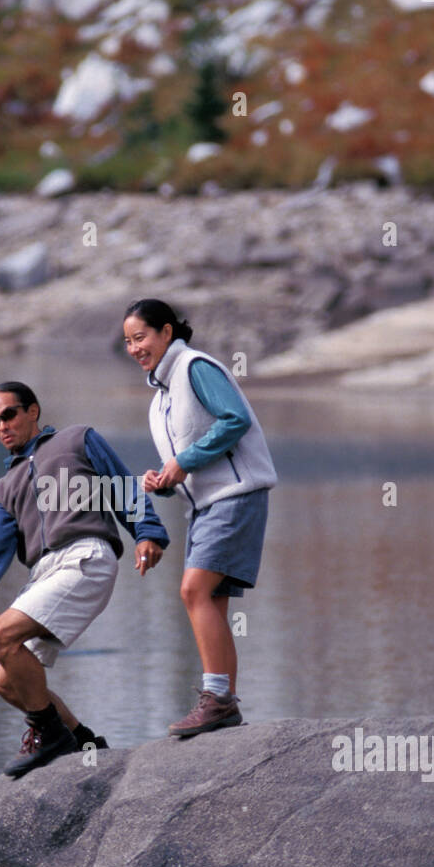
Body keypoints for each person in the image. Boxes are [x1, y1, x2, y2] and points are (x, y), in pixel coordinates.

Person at [0, 380, 170, 777]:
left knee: (2, 634)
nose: (2, 426)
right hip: (44, 574)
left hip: (86, 557)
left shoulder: (77, 440)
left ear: (32, 411)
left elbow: (122, 486)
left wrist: (147, 533)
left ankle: (48, 734)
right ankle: (84, 743)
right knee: (6, 682)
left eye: (8, 415)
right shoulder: (3, 490)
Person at [123, 299, 277, 737]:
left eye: (141, 337)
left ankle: (217, 700)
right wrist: (163, 480)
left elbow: (235, 419)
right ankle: (224, 704)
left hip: (236, 495)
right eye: (128, 342)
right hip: (204, 506)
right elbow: (186, 462)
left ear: (167, 332)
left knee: (193, 591)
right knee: (211, 601)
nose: (134, 349)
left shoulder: (195, 367)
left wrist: (184, 462)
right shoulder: (159, 398)